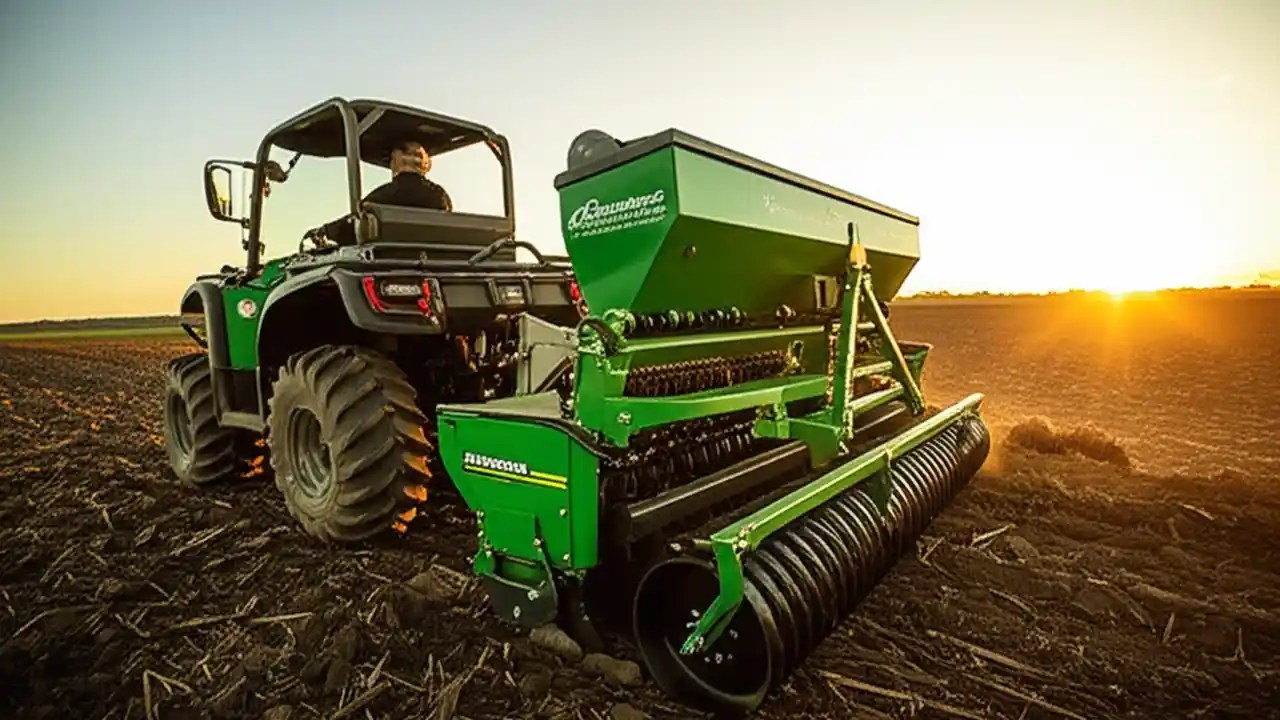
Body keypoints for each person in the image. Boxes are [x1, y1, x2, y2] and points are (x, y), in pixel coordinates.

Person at [317, 138, 452, 245]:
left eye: (391, 159)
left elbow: (354, 226)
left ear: (397, 160)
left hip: (387, 268)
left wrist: (325, 232)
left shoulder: (383, 197)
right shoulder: (441, 197)